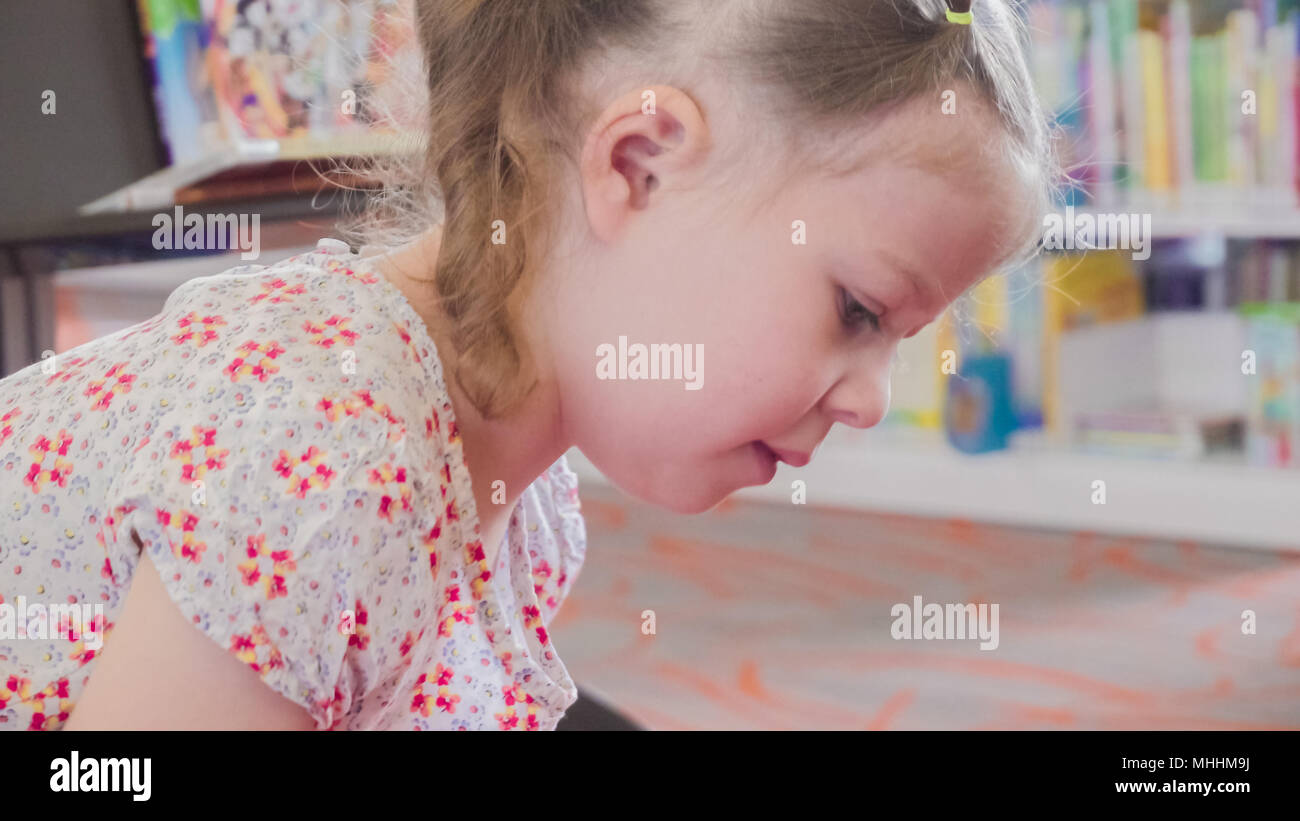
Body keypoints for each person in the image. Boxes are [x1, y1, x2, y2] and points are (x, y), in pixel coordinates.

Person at [1, 0, 1056, 730]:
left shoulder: (526, 498)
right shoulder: (321, 443)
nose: (873, 399)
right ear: (637, 166)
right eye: (858, 309)